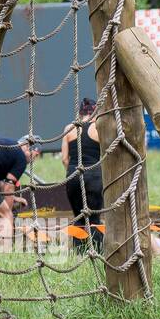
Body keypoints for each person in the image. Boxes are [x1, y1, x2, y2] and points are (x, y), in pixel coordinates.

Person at [60, 98, 105, 251]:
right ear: (95, 112)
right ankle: (97, 251)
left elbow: (65, 159)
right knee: (94, 218)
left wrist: (73, 170)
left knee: (78, 218)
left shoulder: (69, 128)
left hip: (73, 176)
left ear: (80, 113)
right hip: (94, 176)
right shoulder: (99, 128)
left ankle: (79, 252)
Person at [0, 136, 38, 238]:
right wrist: (8, 212)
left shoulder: (6, 147)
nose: (35, 157)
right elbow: (8, 186)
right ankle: (3, 251)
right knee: (6, 216)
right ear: (27, 147)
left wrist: (13, 198)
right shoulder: (20, 158)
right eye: (36, 153)